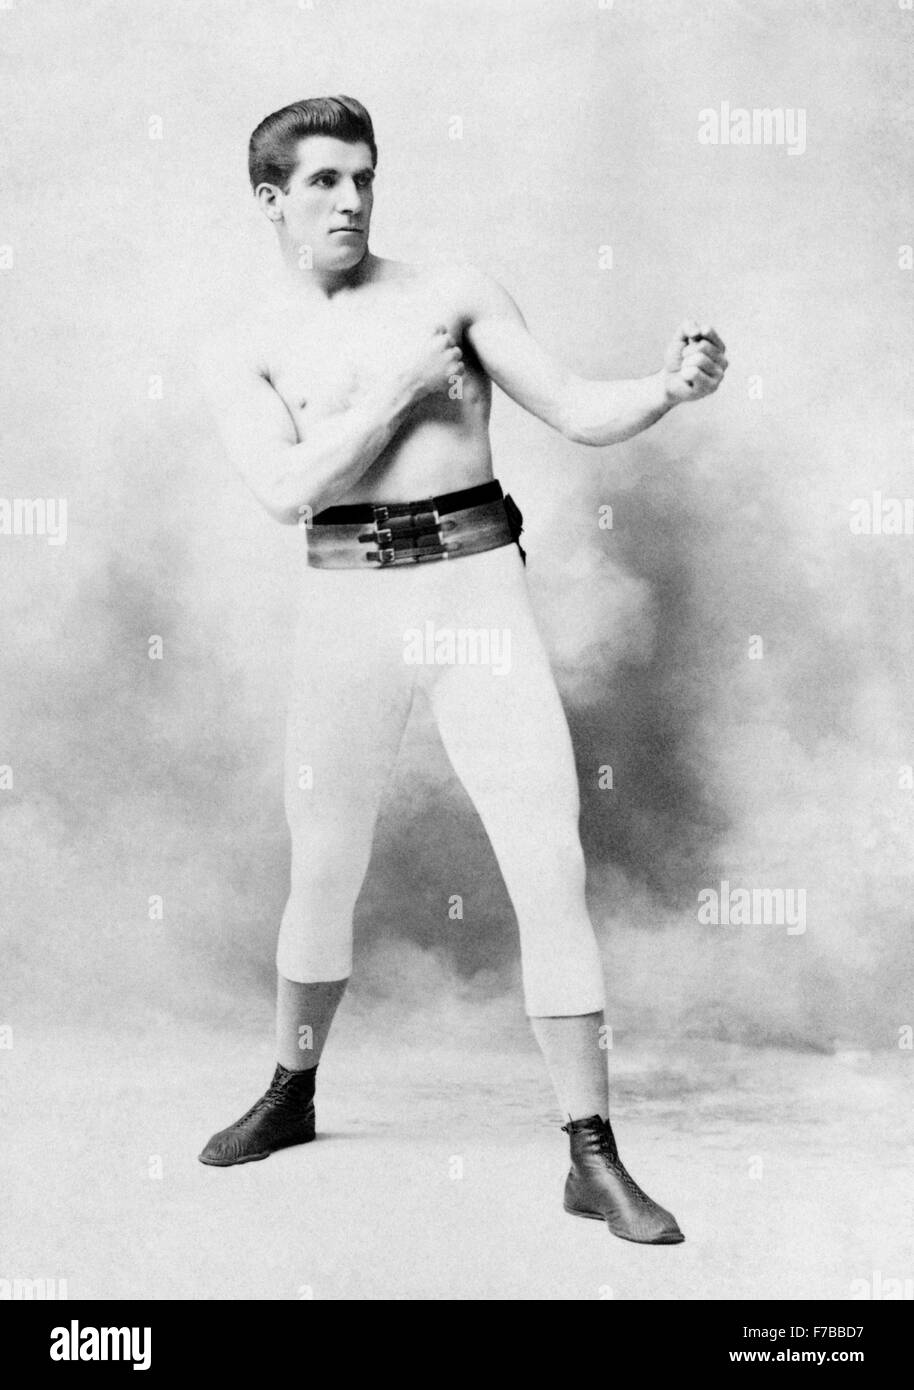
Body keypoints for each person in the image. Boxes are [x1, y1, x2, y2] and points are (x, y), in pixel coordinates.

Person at [196, 96, 727, 1245]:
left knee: (547, 856)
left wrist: (665, 390)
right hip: (345, 606)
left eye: (364, 177)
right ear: (270, 199)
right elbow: (289, 492)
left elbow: (578, 407)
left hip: (474, 589)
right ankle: (291, 1092)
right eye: (324, 180)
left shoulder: (453, 291)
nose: (349, 200)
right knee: (323, 864)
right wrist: (396, 391)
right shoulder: (237, 343)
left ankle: (591, 1154)